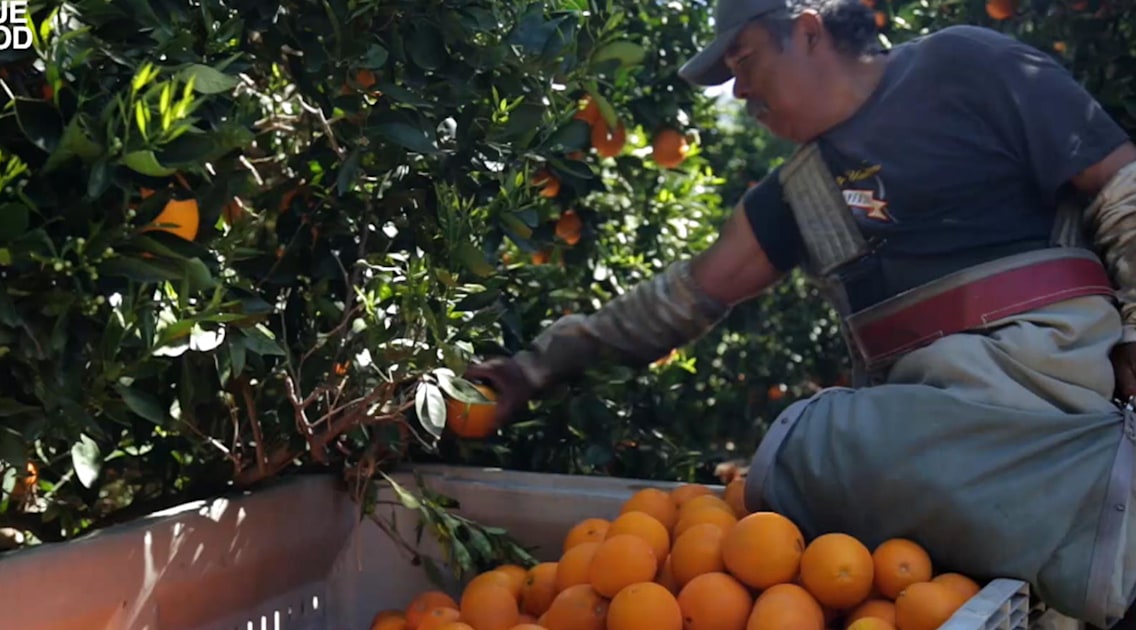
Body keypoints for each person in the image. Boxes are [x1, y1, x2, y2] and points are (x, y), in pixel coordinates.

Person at [466, 0, 1136, 626]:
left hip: (1041, 377)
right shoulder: (801, 191)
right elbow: (683, 297)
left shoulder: (963, 64)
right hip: (923, 427)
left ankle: (1097, 511)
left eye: (744, 60)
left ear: (809, 29)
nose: (740, 92)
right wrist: (536, 368)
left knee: (809, 446)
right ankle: (1082, 518)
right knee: (806, 479)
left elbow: (1121, 185)